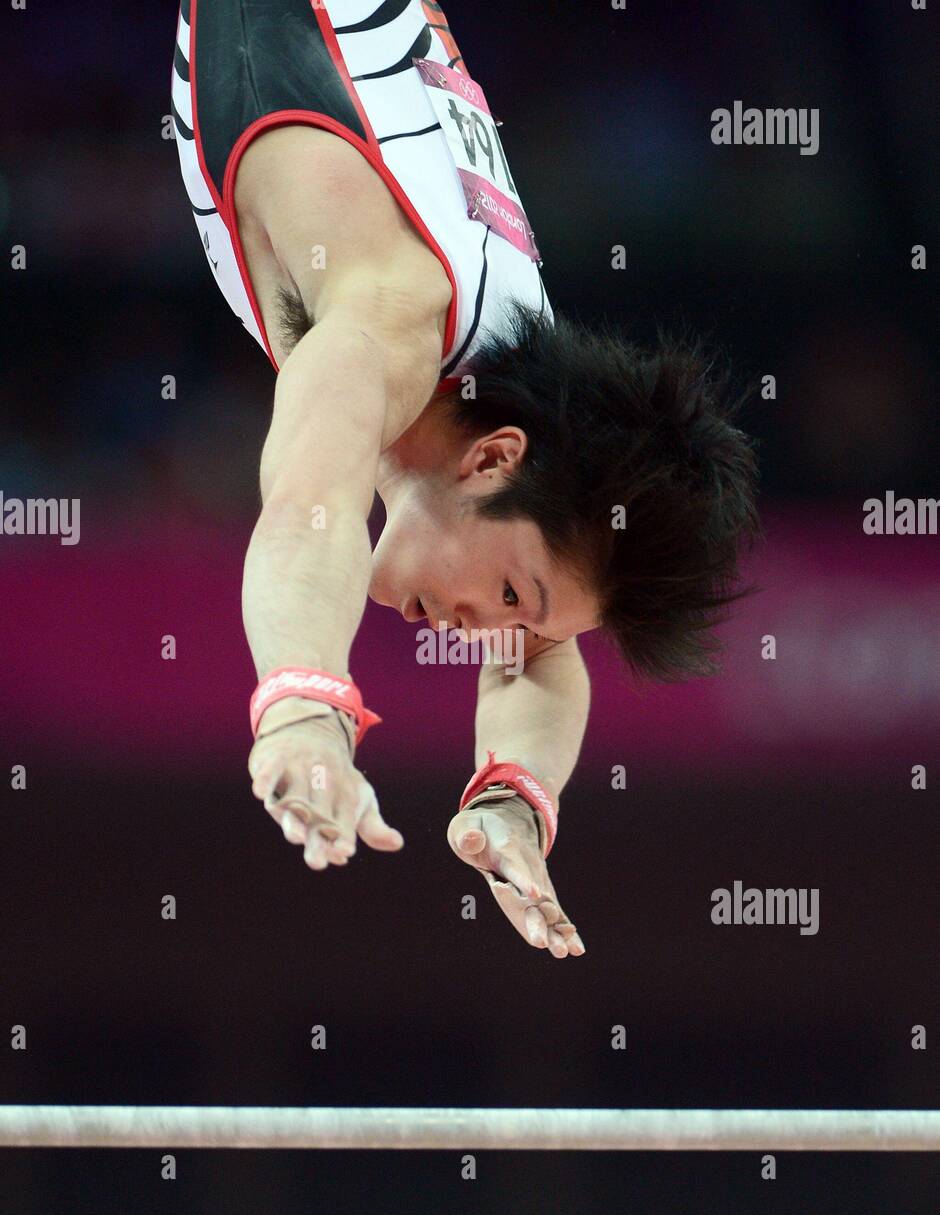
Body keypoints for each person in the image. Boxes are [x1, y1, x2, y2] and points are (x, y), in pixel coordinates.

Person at [171, 0, 759, 959]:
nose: (482, 636)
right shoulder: (386, 322)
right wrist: (302, 714)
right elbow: (307, 508)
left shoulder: (521, 397)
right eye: (511, 594)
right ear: (493, 460)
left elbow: (544, 655)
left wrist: (516, 799)